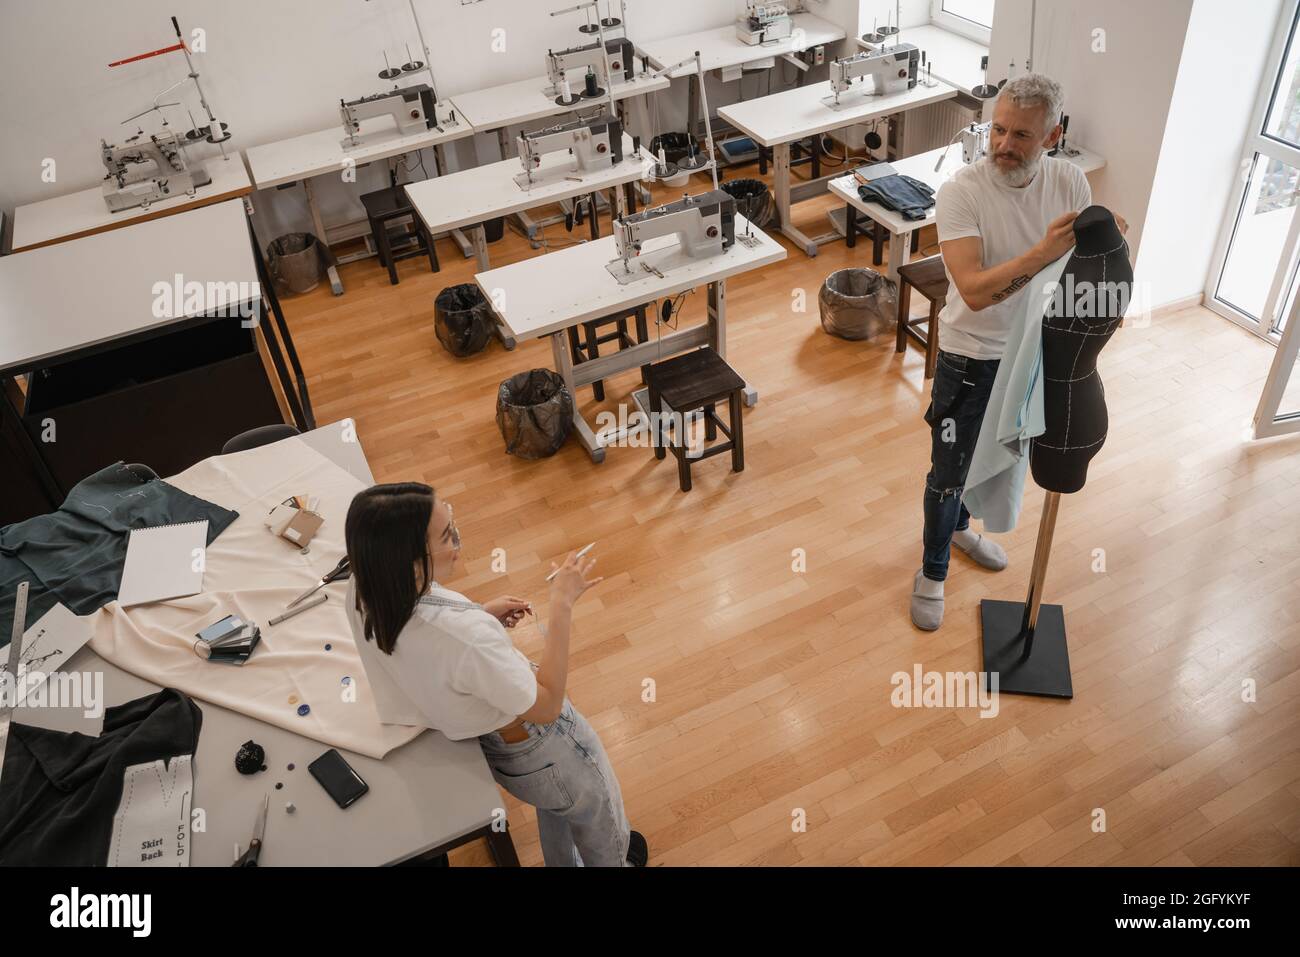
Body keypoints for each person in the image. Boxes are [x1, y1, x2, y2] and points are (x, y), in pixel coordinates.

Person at [911, 73, 1127, 631]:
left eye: (1022, 136)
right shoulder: (962, 192)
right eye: (998, 130)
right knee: (949, 468)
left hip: (1034, 353)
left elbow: (1076, 270)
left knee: (999, 458)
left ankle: (959, 528)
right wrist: (1041, 252)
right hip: (970, 354)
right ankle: (933, 570)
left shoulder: (1071, 185)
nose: (1004, 145)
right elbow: (977, 294)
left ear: (1053, 135)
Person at [343, 482, 647, 866]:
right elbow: (548, 705)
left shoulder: (364, 589)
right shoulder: (465, 640)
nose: (458, 541)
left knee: (558, 806)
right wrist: (562, 604)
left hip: (501, 745)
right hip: (539, 741)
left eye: (452, 523)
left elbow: (435, 650)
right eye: (446, 536)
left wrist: (479, 614)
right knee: (594, 811)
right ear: (411, 560)